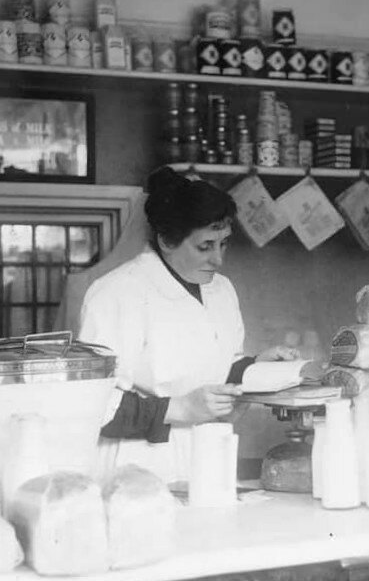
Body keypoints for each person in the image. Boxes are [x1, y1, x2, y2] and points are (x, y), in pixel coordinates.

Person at [78, 166, 298, 483]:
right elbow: (92, 402)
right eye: (205, 246)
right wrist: (180, 408)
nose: (219, 259)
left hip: (208, 454)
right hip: (139, 465)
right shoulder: (116, 293)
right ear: (167, 240)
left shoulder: (221, 290)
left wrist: (252, 367)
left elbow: (214, 368)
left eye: (224, 243)